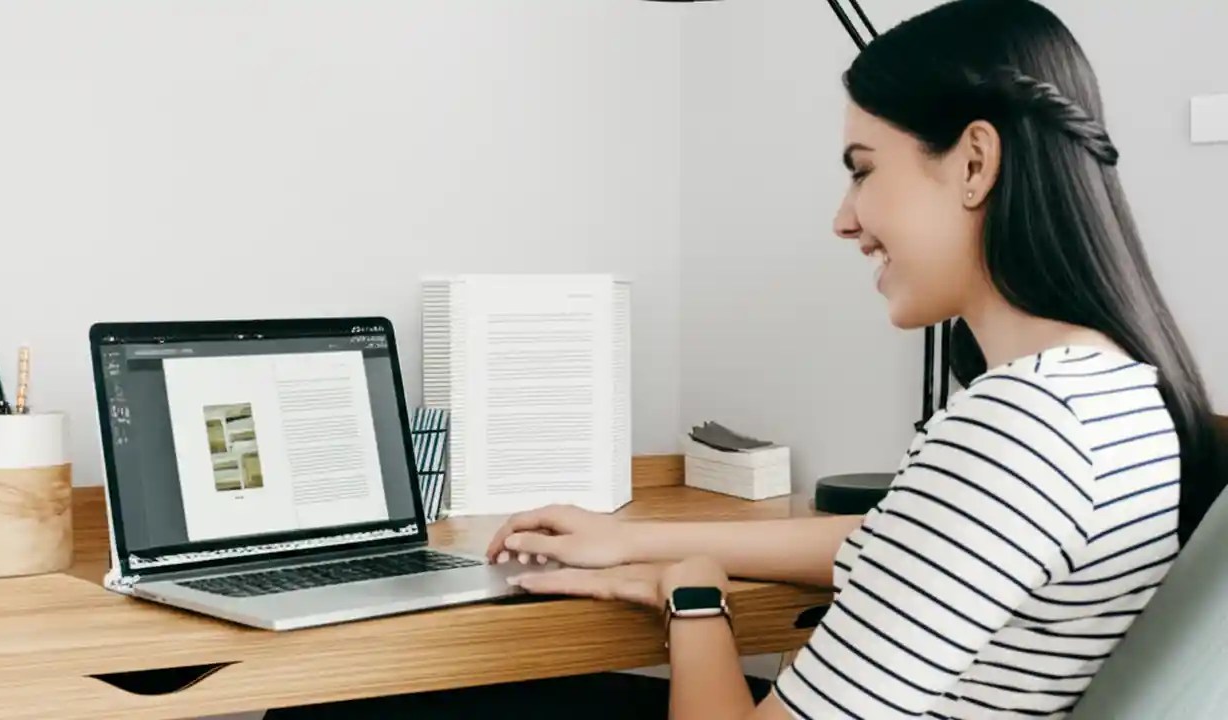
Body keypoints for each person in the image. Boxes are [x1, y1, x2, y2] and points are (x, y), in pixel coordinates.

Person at [267, 0, 1224, 717]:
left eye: (863, 170)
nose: (844, 219)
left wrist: (690, 598)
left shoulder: (1019, 428)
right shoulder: (1113, 389)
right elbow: (902, 545)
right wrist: (631, 542)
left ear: (974, 163)